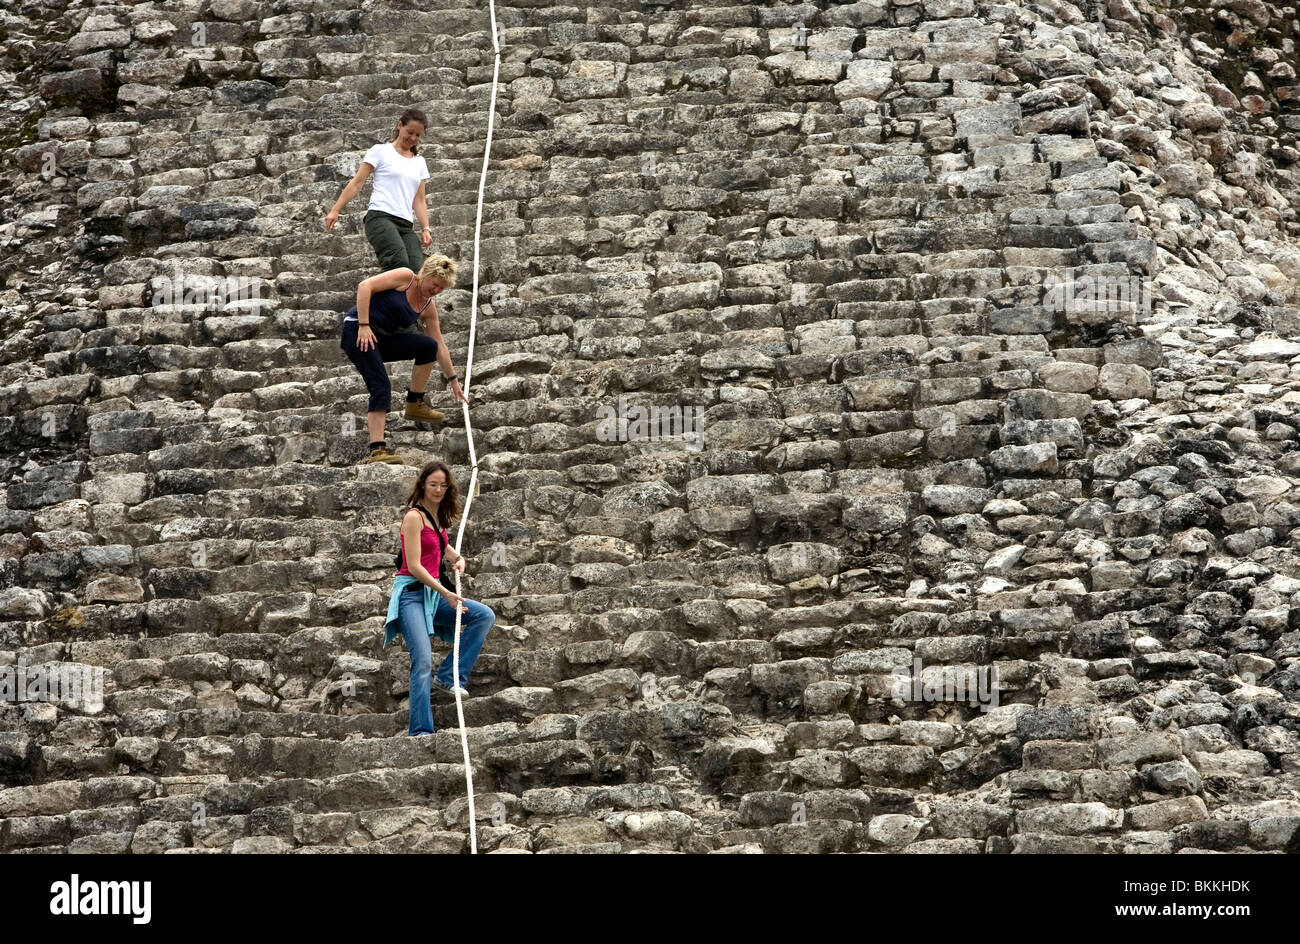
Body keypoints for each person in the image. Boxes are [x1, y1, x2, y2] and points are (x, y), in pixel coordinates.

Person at [383, 461, 496, 736]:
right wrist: (445, 591)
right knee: (421, 660)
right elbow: (414, 565)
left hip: (432, 596)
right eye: (433, 484)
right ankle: (420, 730)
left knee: (483, 616)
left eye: (443, 485)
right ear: (423, 484)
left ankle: (449, 677)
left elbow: (444, 547)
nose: (438, 489)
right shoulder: (413, 517)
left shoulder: (435, 519)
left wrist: (459, 559)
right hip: (412, 596)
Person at [340, 253, 469, 464]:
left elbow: (440, 346)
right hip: (358, 330)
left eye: (441, 289)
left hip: (383, 338)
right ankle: (377, 450)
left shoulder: (428, 306)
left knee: (428, 346)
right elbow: (365, 286)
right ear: (425, 274)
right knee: (381, 385)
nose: (436, 291)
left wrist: (453, 380)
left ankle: (415, 403)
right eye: (435, 285)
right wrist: (363, 325)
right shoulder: (406, 277)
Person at [324, 108, 433, 272]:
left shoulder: (419, 162)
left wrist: (426, 228)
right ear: (399, 126)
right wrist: (335, 210)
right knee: (398, 262)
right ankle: (372, 294)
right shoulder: (380, 151)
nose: (413, 138)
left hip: (405, 224)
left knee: (416, 271)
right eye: (410, 132)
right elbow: (357, 183)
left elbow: (419, 200)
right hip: (381, 217)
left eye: (417, 135)